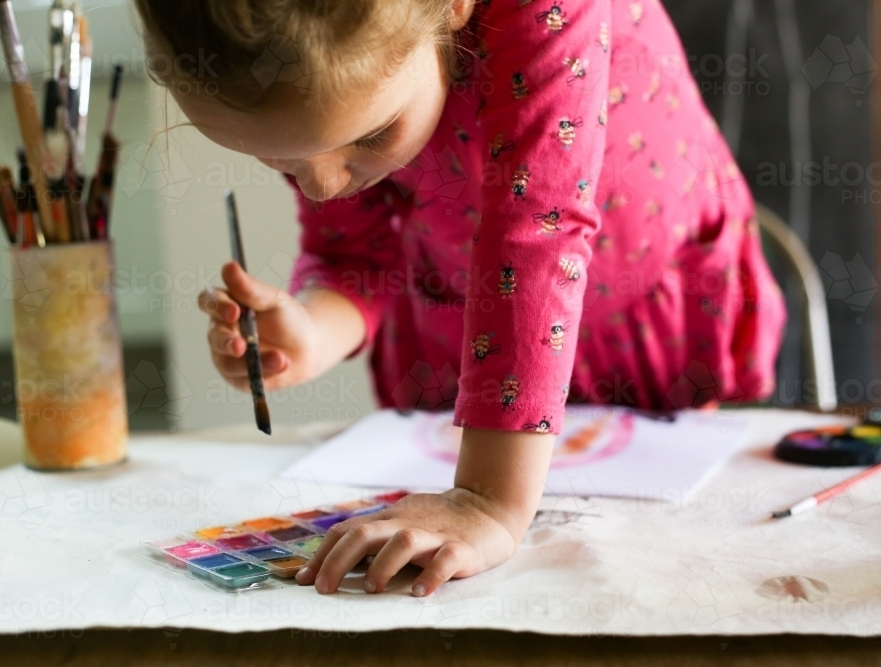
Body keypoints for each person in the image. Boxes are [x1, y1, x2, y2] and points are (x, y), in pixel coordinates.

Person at [134, 0, 786, 597]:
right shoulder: (342, 101)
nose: (326, 185)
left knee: (653, 571)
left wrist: (485, 502)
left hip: (644, 336)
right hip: (475, 357)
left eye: (370, 136)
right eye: (283, 163)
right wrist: (313, 328)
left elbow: (538, 235)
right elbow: (355, 259)